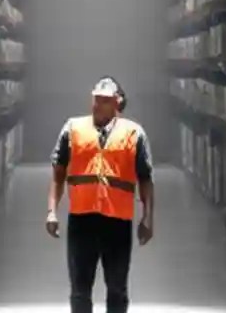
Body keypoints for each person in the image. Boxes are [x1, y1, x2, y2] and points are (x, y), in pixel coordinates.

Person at [46, 75, 154, 313]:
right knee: (80, 290)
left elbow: (145, 178)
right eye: (95, 99)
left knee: (117, 289)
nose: (98, 105)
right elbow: (58, 173)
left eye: (104, 100)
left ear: (117, 103)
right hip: (82, 221)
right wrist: (52, 211)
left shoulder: (134, 134)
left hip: (117, 222)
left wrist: (147, 217)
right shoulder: (73, 129)